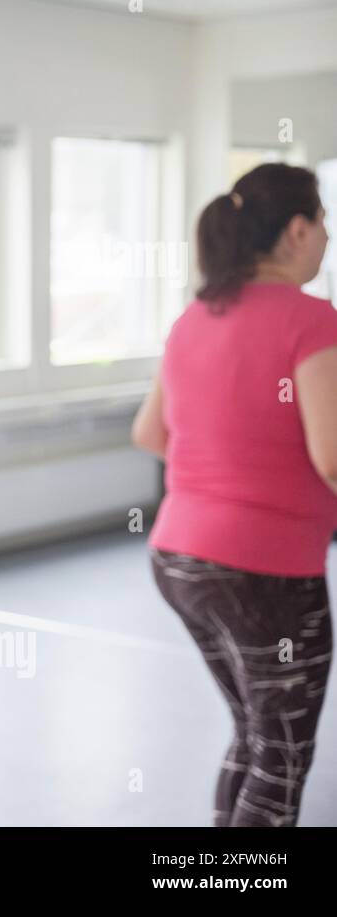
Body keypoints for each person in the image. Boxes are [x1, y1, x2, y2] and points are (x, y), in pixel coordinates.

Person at [133, 162, 336, 826]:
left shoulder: (197, 315)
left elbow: (149, 432)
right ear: (298, 230)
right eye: (325, 222)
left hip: (180, 558)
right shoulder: (312, 321)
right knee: (280, 757)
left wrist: (229, 472)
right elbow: (331, 455)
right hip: (265, 576)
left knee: (254, 733)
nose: (328, 236)